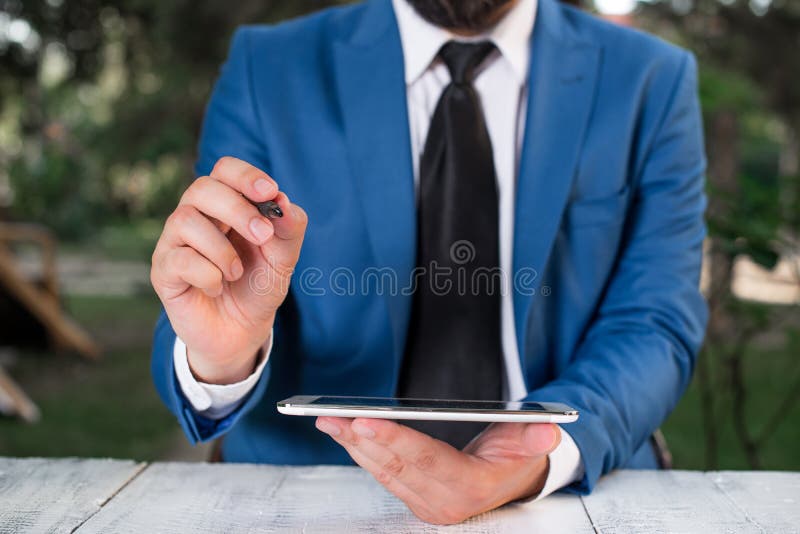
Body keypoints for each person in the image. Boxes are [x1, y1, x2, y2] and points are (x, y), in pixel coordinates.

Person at [150, 0, 707, 525]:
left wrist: (541, 455)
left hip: (563, 492)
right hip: (309, 495)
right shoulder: (267, 66)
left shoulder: (652, 81)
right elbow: (214, 283)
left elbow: (654, 318)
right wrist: (221, 356)